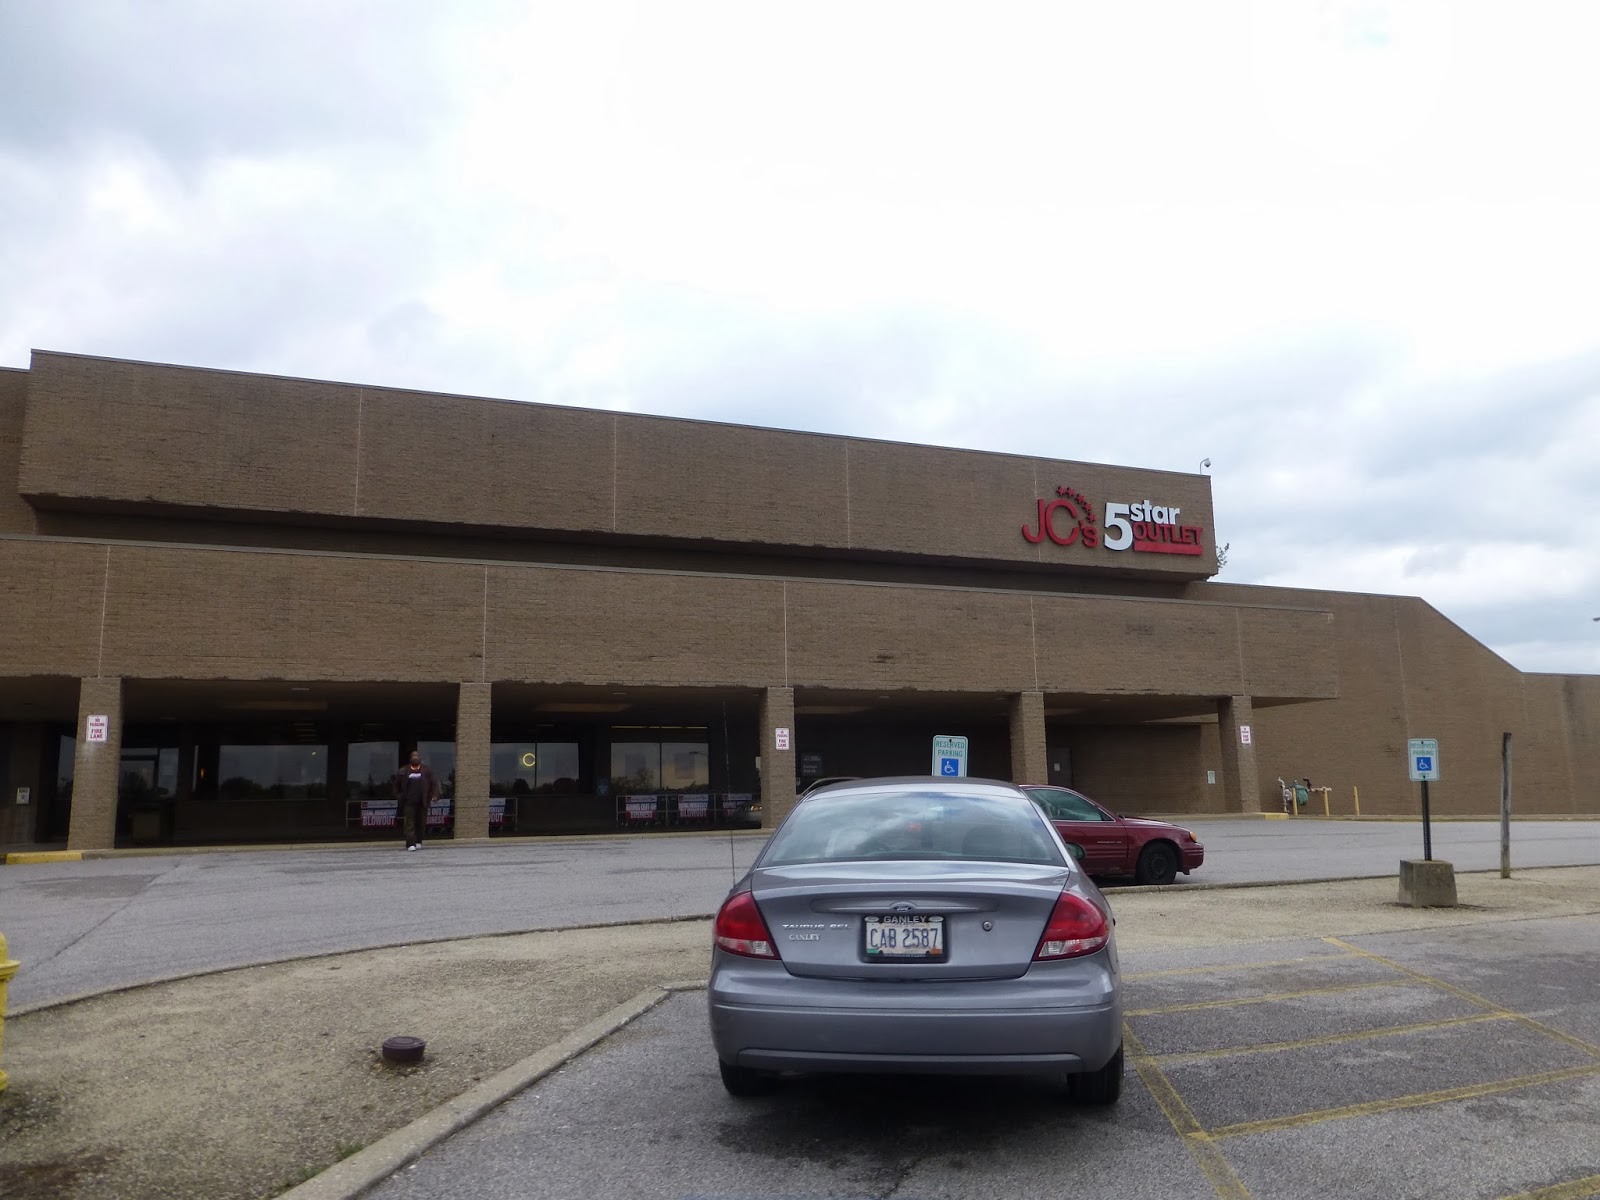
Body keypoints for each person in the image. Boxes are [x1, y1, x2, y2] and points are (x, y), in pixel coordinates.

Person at [393, 749, 440, 851]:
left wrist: (435, 795)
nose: (415, 757)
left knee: (421, 823)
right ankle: (410, 844)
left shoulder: (427, 770)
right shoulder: (403, 771)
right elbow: (396, 785)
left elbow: (434, 783)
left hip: (422, 801)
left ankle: (419, 841)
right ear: (410, 758)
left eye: (417, 756)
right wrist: (399, 796)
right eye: (413, 756)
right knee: (410, 823)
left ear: (420, 758)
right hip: (409, 802)